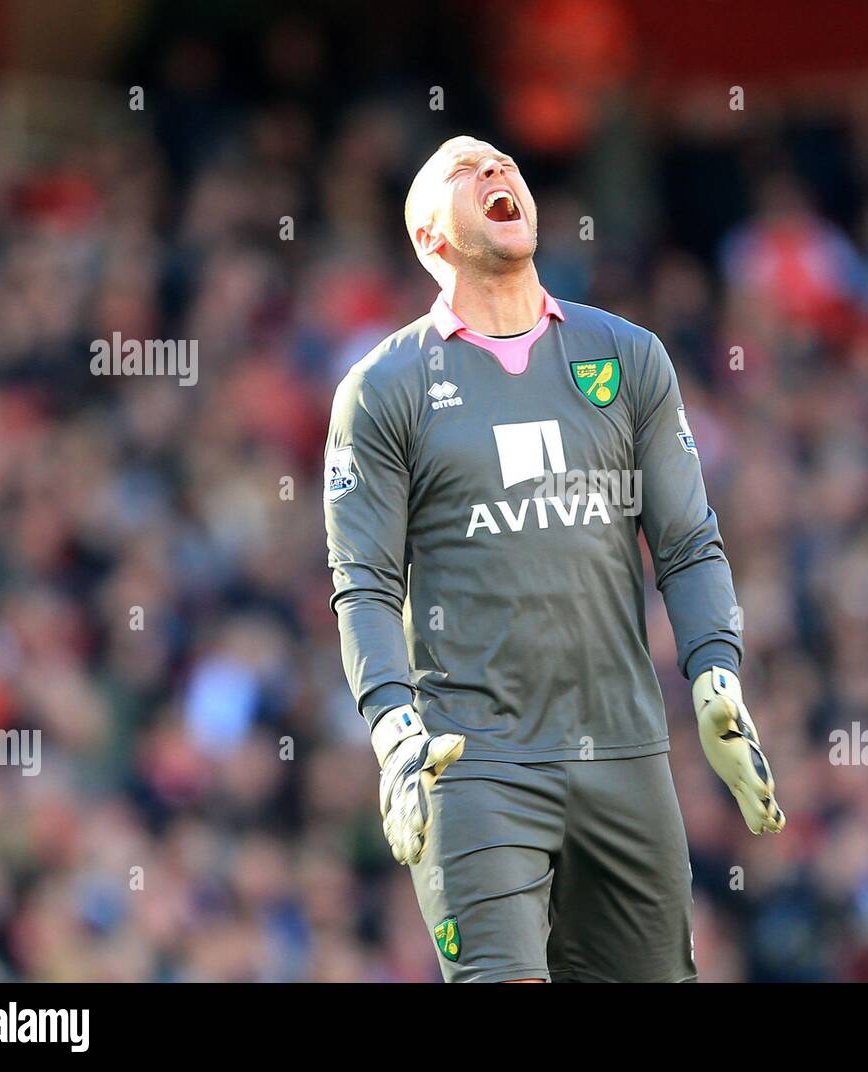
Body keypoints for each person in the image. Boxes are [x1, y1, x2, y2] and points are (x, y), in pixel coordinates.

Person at [323, 135, 784, 983]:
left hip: (625, 753)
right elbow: (365, 582)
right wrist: (394, 732)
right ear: (428, 238)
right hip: (473, 760)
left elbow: (687, 542)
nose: (497, 172)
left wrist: (716, 671)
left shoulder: (628, 356)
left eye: (505, 164)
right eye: (466, 171)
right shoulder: (385, 388)